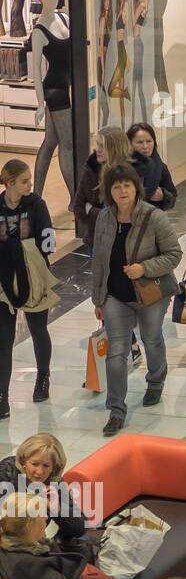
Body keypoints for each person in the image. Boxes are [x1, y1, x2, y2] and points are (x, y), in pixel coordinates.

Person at [93, 162, 180, 436]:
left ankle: (155, 381)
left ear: (136, 188)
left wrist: (145, 268)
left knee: (151, 338)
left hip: (150, 295)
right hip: (115, 296)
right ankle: (116, 410)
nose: (122, 191)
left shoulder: (153, 217)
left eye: (126, 185)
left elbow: (174, 254)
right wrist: (98, 299)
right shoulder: (104, 218)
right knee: (116, 351)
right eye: (116, 186)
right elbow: (98, 261)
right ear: (109, 191)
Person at [0, 160, 56, 416]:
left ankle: (43, 376)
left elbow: (48, 240)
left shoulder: (36, 204)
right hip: (3, 279)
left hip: (33, 276)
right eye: (24, 181)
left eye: (30, 179)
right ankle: (2, 395)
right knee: (4, 339)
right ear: (9, 183)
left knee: (38, 329)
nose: (30, 184)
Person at [0, 434, 84, 550]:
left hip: (31, 544)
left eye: (46, 466)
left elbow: (79, 528)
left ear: (53, 468)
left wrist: (58, 510)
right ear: (24, 461)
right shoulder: (6, 473)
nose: (39, 472)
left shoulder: (55, 483)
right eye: (34, 464)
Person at [73, 126, 132, 248]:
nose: (97, 150)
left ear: (115, 148)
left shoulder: (128, 175)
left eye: (102, 146)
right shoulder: (91, 168)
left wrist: (90, 210)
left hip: (122, 244)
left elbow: (117, 218)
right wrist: (99, 217)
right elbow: (78, 206)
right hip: (95, 241)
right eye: (97, 144)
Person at [126, 123, 178, 210]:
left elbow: (173, 195)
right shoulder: (121, 167)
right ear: (129, 144)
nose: (145, 146)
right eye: (139, 142)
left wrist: (163, 196)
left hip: (151, 219)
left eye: (149, 141)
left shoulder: (160, 167)